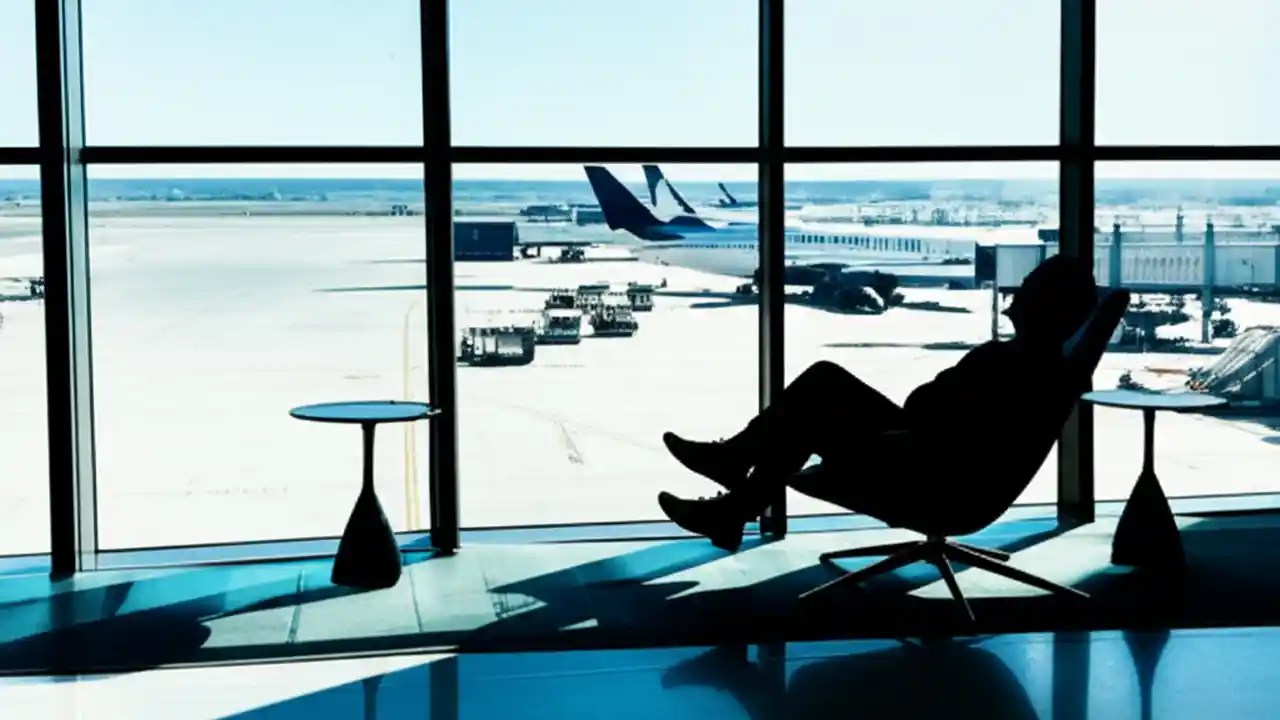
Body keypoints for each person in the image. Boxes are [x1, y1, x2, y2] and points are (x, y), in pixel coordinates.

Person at [658, 254, 1100, 551]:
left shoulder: (1020, 367)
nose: (1017, 291)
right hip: (924, 451)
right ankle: (733, 491)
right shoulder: (1031, 362)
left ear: (1048, 306)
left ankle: (733, 480)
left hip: (928, 469)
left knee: (814, 402)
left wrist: (910, 422)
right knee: (821, 386)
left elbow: (947, 422)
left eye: (1029, 286)